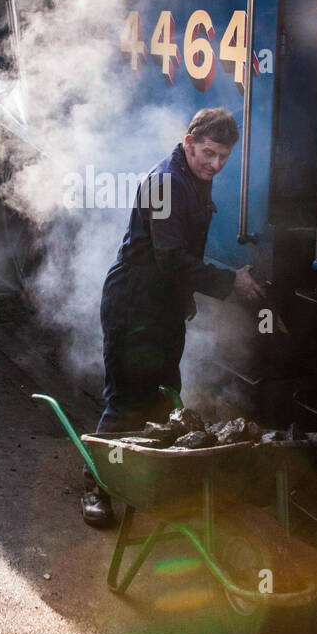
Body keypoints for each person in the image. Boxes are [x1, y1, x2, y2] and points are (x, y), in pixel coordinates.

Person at [84, 108, 263, 526]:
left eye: (222, 157)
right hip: (134, 304)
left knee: (164, 396)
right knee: (126, 399)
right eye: (208, 153)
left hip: (162, 306)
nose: (215, 164)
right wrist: (229, 282)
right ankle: (97, 488)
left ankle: (147, 484)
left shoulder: (194, 180)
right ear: (188, 142)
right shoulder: (165, 183)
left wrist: (184, 299)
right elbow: (169, 258)